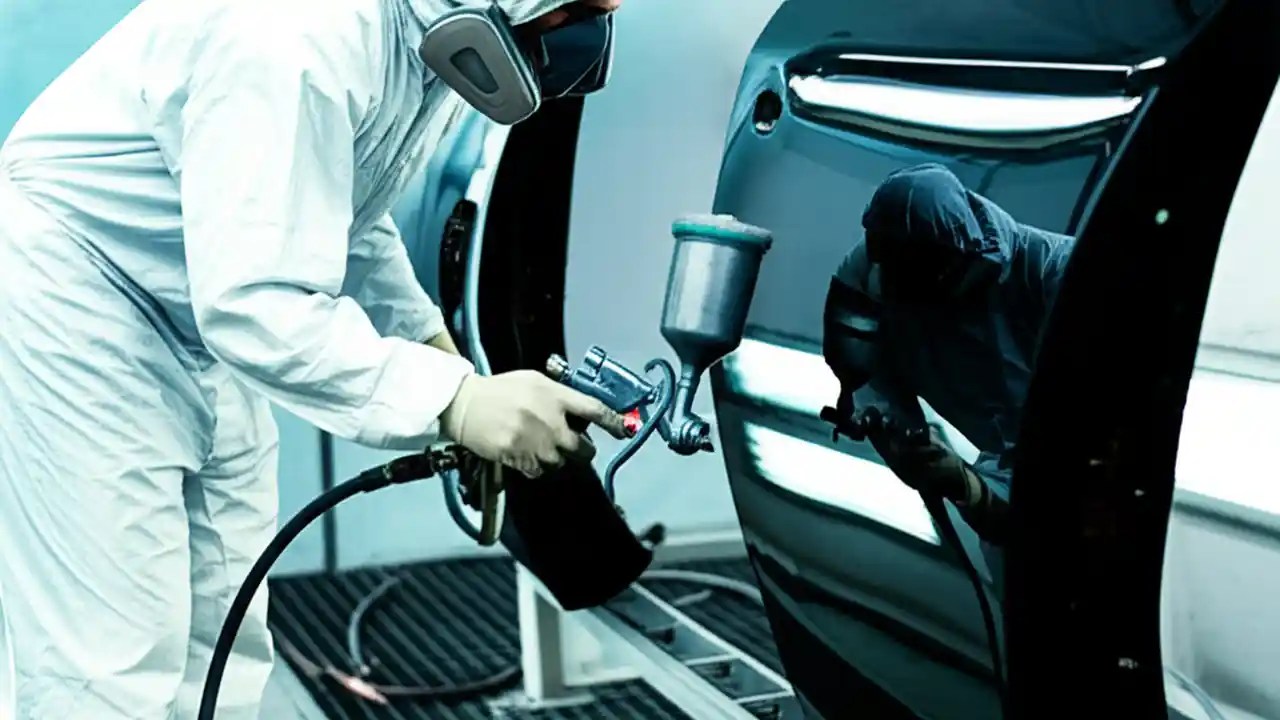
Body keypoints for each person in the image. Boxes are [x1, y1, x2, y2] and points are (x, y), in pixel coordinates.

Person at [0, 0, 624, 717]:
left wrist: (436, 349)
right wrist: (454, 401)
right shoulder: (296, 32)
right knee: (108, 657)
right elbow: (253, 303)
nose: (584, 32)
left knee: (224, 628)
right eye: (576, 8)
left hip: (188, 301)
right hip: (82, 298)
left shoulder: (420, 39)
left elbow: (346, 214)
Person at [833, 163, 1076, 547]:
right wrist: (905, 446)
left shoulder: (1057, 273)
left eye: (915, 274)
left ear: (952, 262)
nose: (903, 291)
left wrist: (971, 487)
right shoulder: (879, 300)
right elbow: (871, 386)